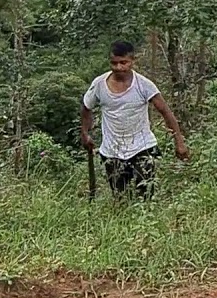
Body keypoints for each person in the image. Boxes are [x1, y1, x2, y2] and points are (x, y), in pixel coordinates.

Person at [80, 40, 189, 200]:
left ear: (132, 61)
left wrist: (179, 142)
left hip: (142, 147)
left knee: (145, 196)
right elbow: (86, 107)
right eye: (114, 63)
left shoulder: (144, 85)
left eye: (123, 62)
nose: (118, 67)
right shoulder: (99, 85)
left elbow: (166, 112)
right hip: (112, 151)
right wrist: (84, 133)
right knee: (120, 198)